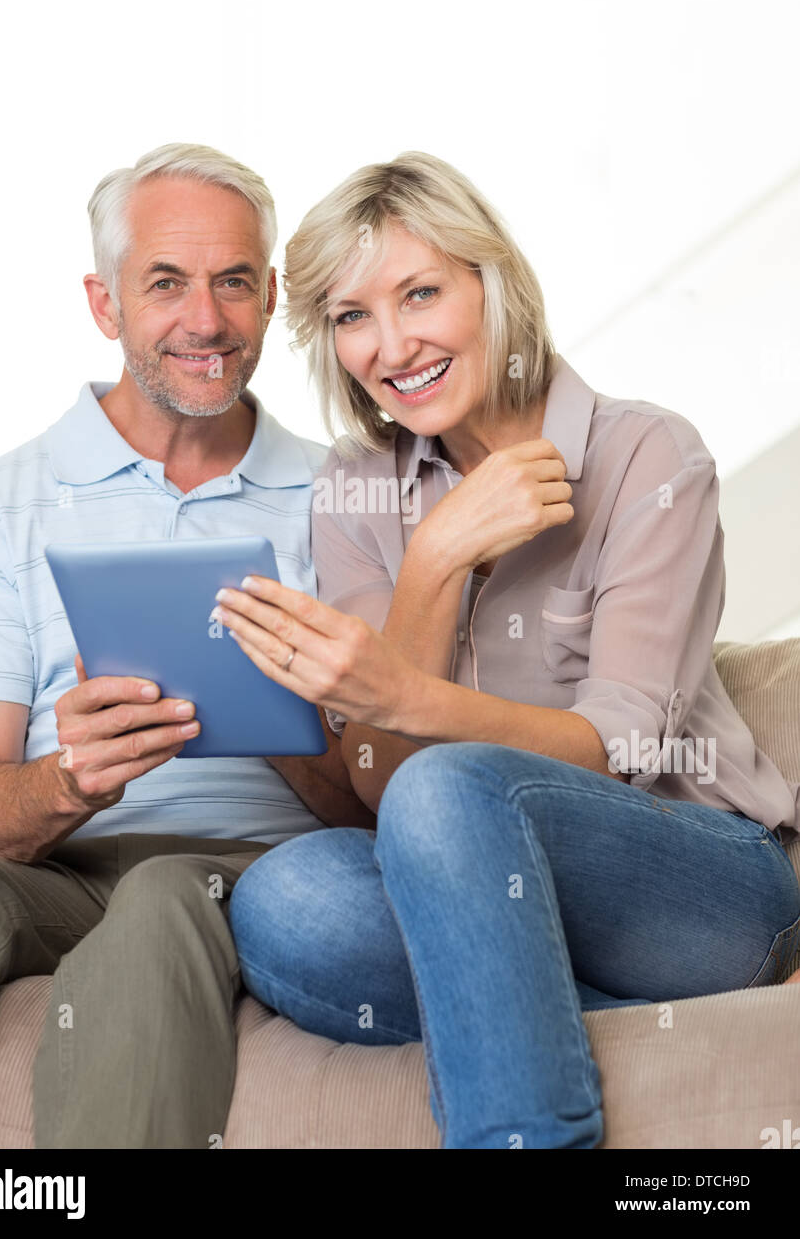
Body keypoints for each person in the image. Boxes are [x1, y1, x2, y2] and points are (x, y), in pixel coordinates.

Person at [221, 150, 800, 1149]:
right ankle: (569, 1028)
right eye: (350, 315)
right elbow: (376, 783)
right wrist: (434, 562)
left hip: (693, 880)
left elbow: (622, 745)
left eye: (419, 293)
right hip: (478, 887)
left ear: (492, 284)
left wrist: (400, 690)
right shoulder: (359, 490)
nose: (390, 343)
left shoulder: (646, 456)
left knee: (447, 787)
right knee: (288, 895)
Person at [0, 143, 372, 1149]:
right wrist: (67, 782)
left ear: (266, 296)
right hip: (63, 863)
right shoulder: (2, 505)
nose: (204, 322)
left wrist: (277, 708)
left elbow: (386, 794)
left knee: (166, 896)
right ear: (105, 303)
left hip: (255, 865)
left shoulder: (347, 494)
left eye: (231, 283)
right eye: (165, 283)